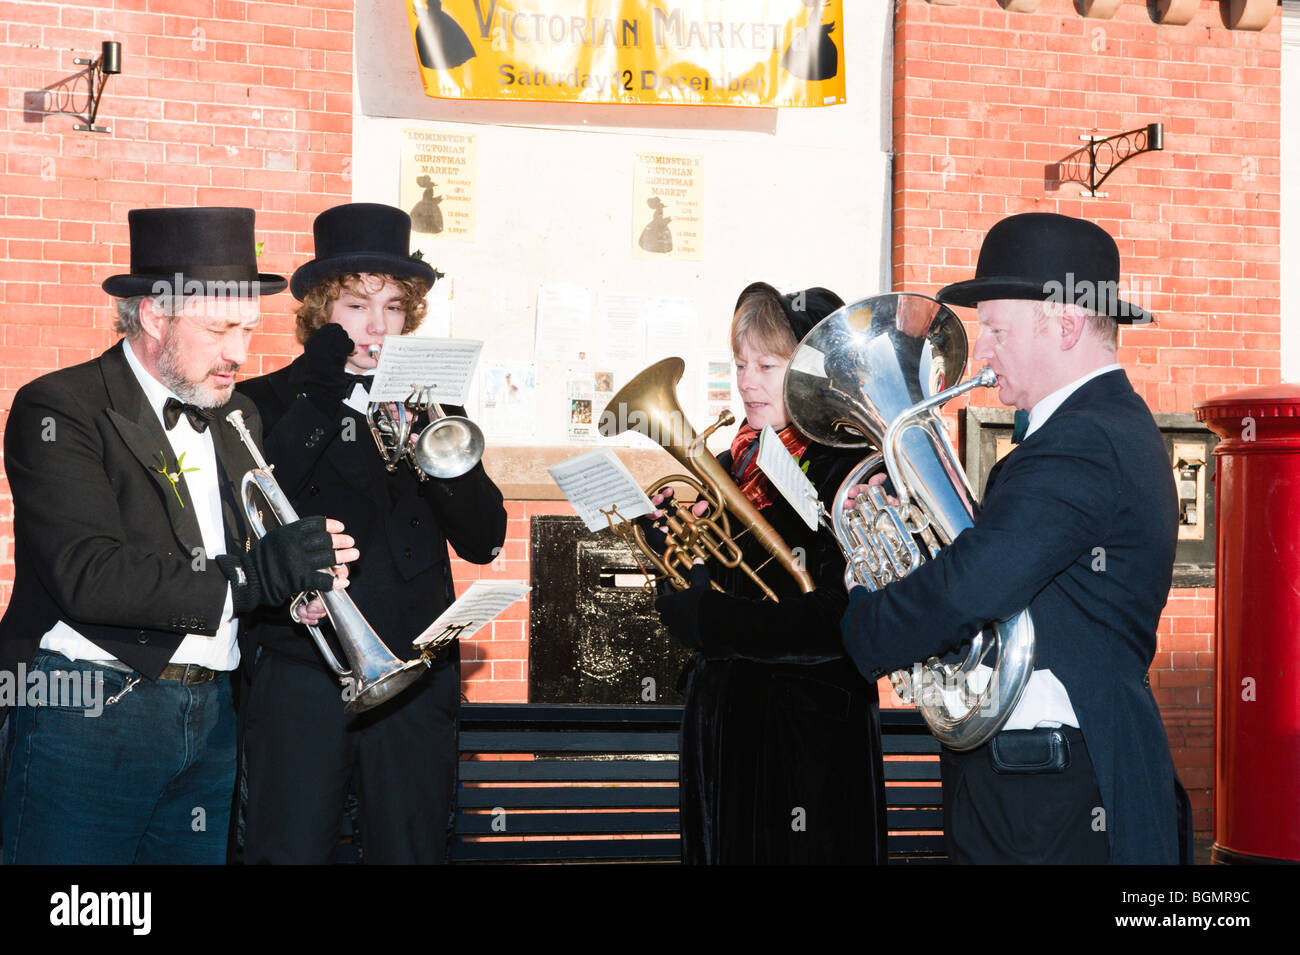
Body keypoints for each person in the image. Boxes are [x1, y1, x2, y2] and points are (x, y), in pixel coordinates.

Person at [0, 206, 354, 865]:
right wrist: (255, 578)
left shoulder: (235, 410)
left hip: (212, 713)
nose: (239, 354)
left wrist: (294, 587)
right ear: (155, 316)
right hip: (93, 710)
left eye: (248, 330)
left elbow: (242, 559)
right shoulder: (62, 405)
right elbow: (88, 572)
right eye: (220, 328)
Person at [840, 212, 1190, 864]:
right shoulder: (1085, 431)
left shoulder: (1084, 440)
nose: (983, 352)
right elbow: (1005, 574)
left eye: (997, 330)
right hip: (1036, 788)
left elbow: (971, 586)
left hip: (1054, 800)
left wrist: (866, 617)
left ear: (1065, 324)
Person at [237, 202, 507, 864]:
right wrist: (324, 396)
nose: (375, 326)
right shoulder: (268, 399)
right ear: (322, 310)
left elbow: (485, 537)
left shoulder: (432, 405)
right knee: (290, 848)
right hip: (304, 673)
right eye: (357, 306)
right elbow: (259, 495)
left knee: (411, 849)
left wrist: (433, 447)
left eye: (391, 308)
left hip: (412, 678)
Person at [651, 282, 888, 865]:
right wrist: (679, 559)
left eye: (766, 364)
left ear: (811, 373)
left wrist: (710, 617)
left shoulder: (851, 469)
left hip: (805, 736)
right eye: (739, 363)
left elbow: (840, 618)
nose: (746, 381)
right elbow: (703, 599)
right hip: (724, 729)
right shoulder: (736, 463)